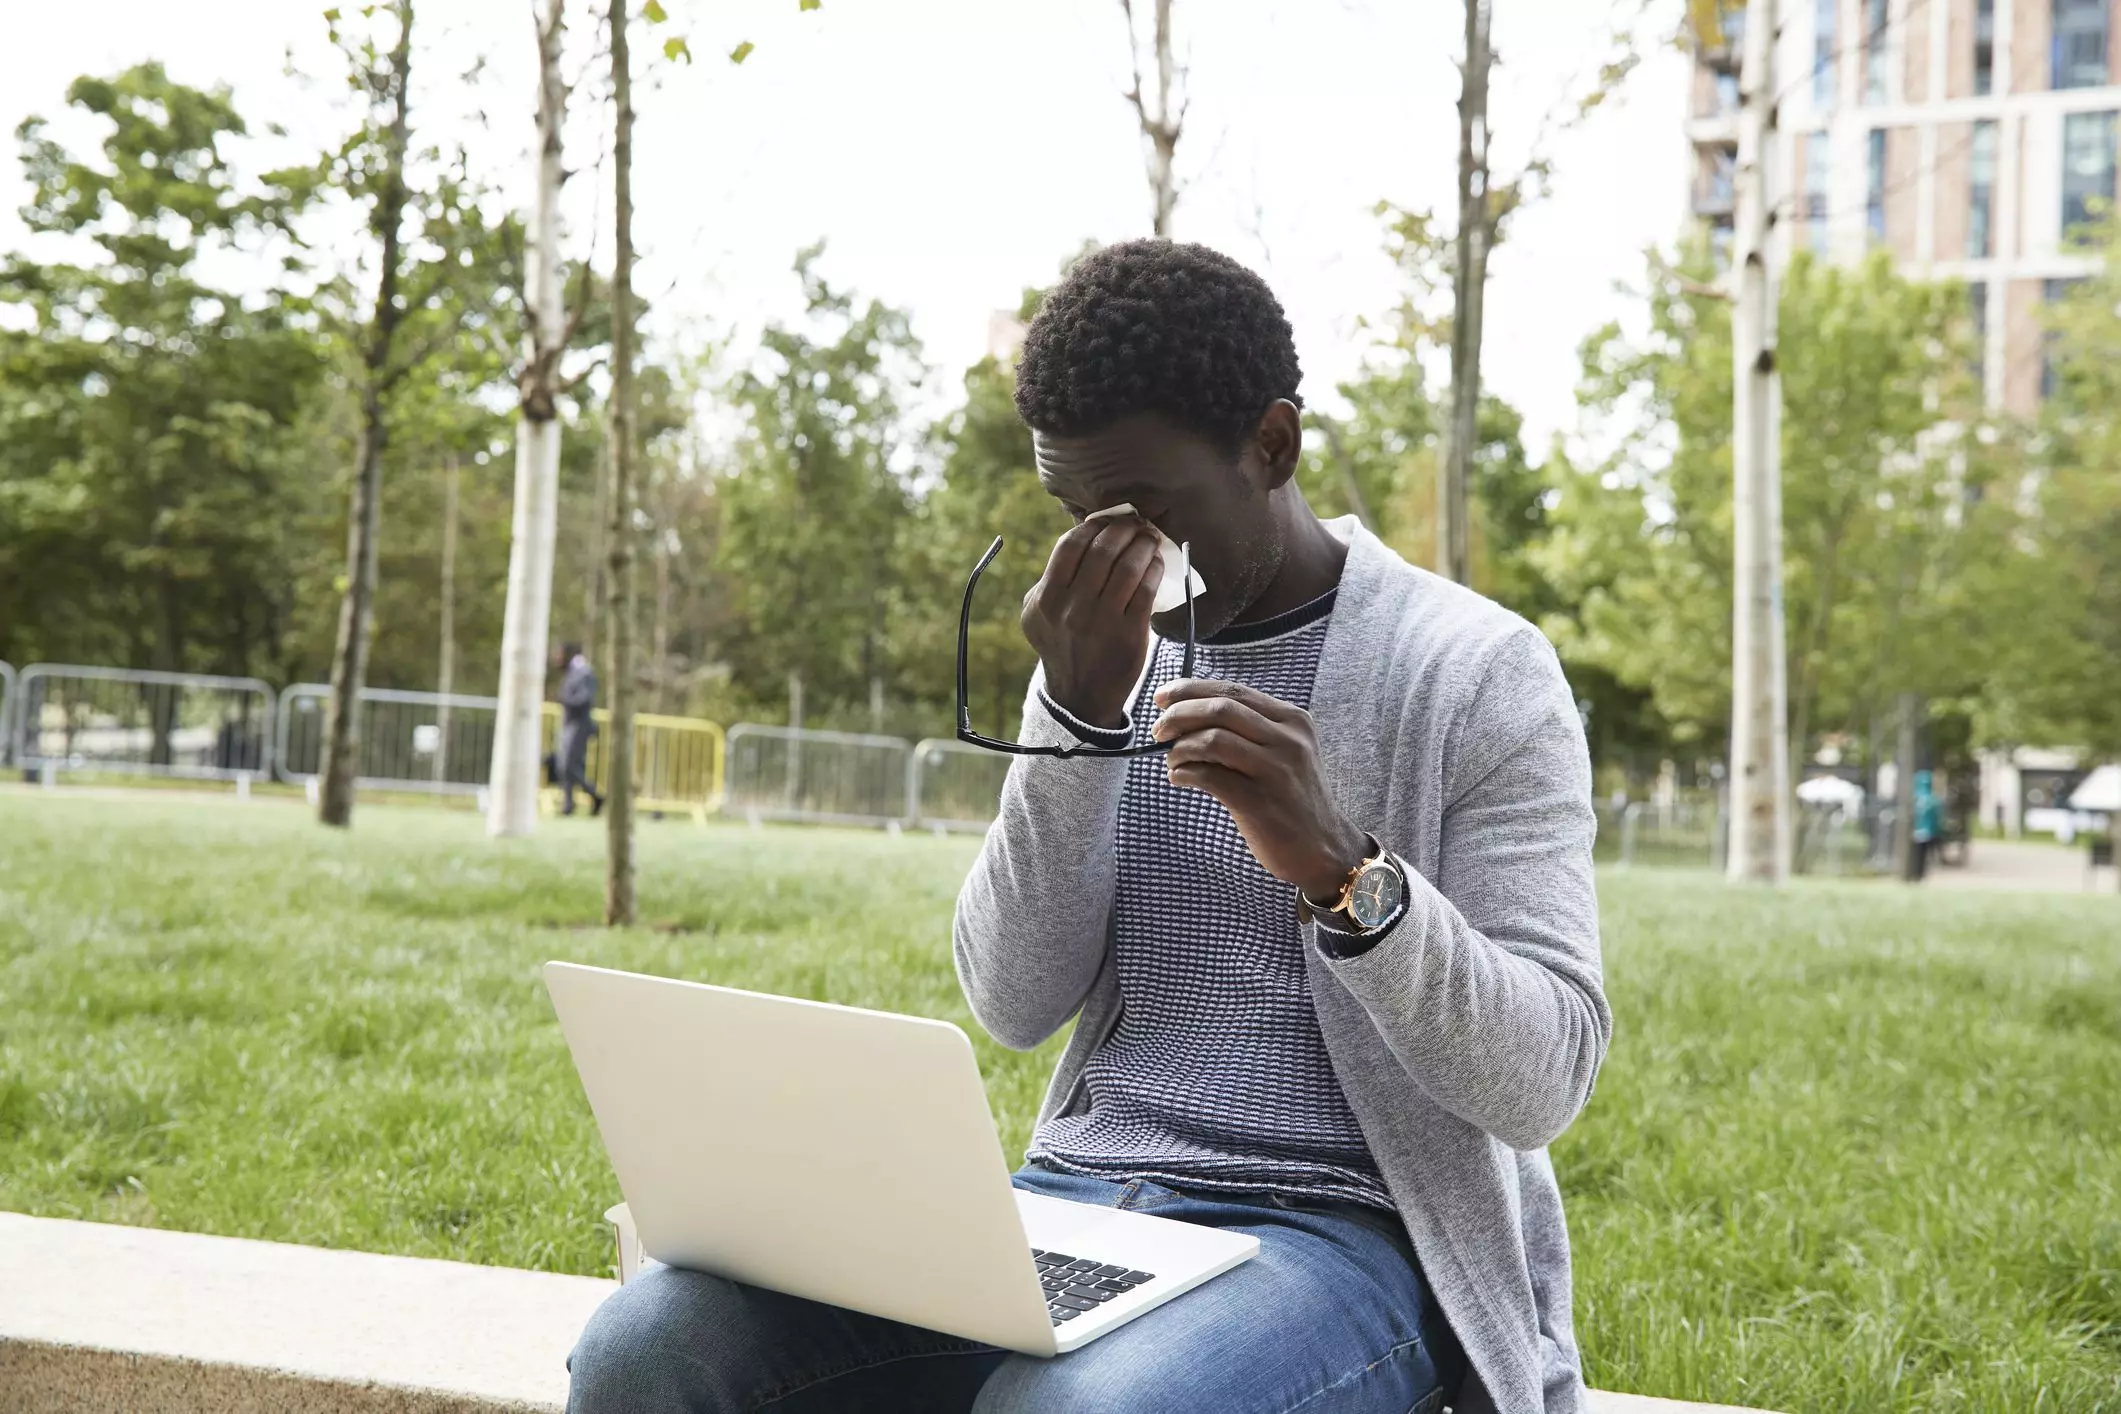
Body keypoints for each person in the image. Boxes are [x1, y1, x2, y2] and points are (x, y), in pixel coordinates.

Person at [566, 241, 1609, 1414]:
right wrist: (1075, 717)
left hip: (1344, 1234)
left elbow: (1546, 1078)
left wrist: (1346, 872)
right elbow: (1013, 1000)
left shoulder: (1474, 672)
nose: (1121, 558)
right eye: (1077, 514)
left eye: (1152, 512)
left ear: (1272, 446)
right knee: (650, 1346)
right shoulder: (1104, 647)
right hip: (1076, 1200)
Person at [554, 642, 603, 818]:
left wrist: (566, 699)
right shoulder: (573, 672)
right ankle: (569, 804)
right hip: (569, 724)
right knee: (566, 765)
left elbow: (585, 698)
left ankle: (595, 795)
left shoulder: (584, 672)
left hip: (579, 725)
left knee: (568, 765)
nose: (556, 659)